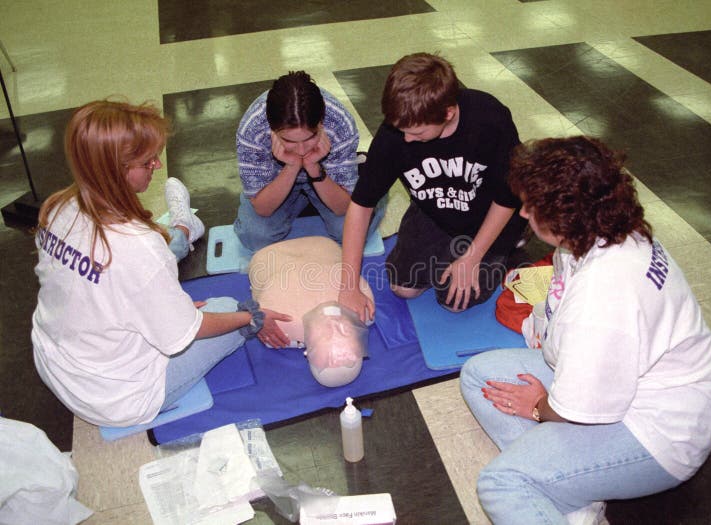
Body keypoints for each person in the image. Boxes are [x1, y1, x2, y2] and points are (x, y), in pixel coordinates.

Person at [459, 136, 711, 524]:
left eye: (530, 206)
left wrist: (538, 407)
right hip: (639, 387)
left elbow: (576, 412)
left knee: (503, 483)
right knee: (480, 376)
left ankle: (558, 486)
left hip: (663, 433)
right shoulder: (607, 232)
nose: (521, 213)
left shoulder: (601, 296)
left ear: (560, 216)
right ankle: (573, 493)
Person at [31, 100, 290, 427]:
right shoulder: (138, 246)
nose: (156, 164)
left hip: (52, 362)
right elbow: (189, 331)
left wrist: (168, 310)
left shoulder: (58, 208)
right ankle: (182, 227)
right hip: (115, 399)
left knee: (158, 259)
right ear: (115, 170)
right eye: (146, 161)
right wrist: (250, 316)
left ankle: (182, 228)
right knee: (224, 306)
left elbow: (98, 291)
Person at [338, 52, 526, 320]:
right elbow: (360, 205)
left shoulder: (489, 119)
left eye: (417, 133)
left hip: (491, 215)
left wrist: (473, 257)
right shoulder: (396, 132)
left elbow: (508, 197)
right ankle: (451, 250)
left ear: (448, 113)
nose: (407, 139)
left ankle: (508, 246)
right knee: (403, 287)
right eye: (401, 130)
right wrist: (349, 286)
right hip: (436, 208)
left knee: (454, 301)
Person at [234, 71, 383, 252]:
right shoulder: (252, 128)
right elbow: (263, 208)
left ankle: (367, 178)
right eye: (289, 141)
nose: (301, 150)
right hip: (277, 181)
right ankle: (306, 203)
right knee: (255, 237)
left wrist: (313, 167)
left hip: (327, 177)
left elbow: (342, 207)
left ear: (321, 123)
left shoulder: (339, 122)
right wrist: (292, 166)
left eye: (310, 138)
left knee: (352, 233)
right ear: (272, 130)